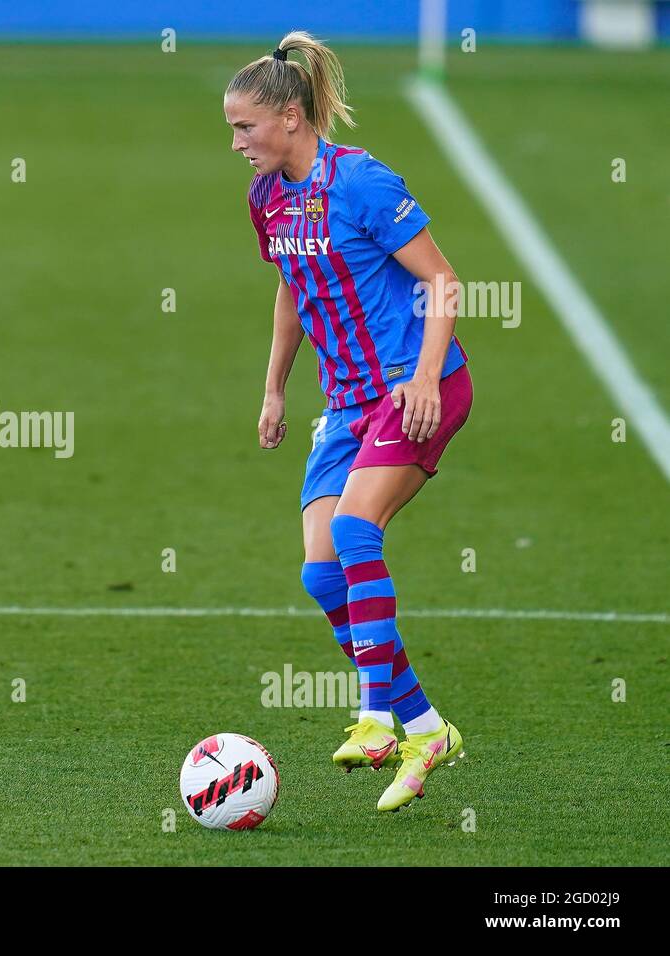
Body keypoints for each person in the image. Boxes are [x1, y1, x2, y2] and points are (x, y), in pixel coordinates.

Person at [225, 31, 471, 811]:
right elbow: (293, 288)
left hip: (413, 391)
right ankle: (425, 726)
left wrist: (427, 374)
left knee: (359, 532)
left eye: (246, 128)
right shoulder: (268, 198)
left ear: (291, 117)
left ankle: (374, 713)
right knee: (321, 570)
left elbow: (443, 281)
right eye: (232, 129)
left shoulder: (362, 183)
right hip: (346, 406)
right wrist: (274, 389)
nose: (237, 144)